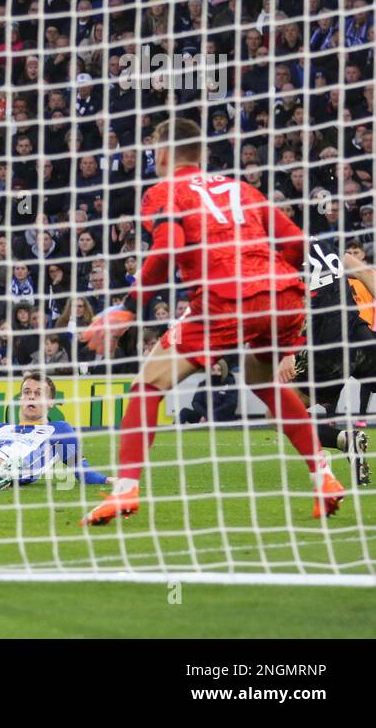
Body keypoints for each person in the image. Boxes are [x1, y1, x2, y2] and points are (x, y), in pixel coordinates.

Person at [79, 118, 344, 526]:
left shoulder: (165, 192)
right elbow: (295, 243)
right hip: (284, 294)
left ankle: (126, 489)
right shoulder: (242, 188)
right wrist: (275, 287)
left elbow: (167, 247)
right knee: (263, 382)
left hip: (225, 297)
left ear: (161, 153)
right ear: (201, 156)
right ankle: (324, 476)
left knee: (148, 384)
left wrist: (129, 306)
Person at [275, 235, 373, 485]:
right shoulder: (322, 244)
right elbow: (365, 273)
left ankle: (345, 440)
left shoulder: (276, 255)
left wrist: (287, 353)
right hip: (358, 334)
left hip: (328, 348)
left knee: (278, 412)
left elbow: (285, 307)